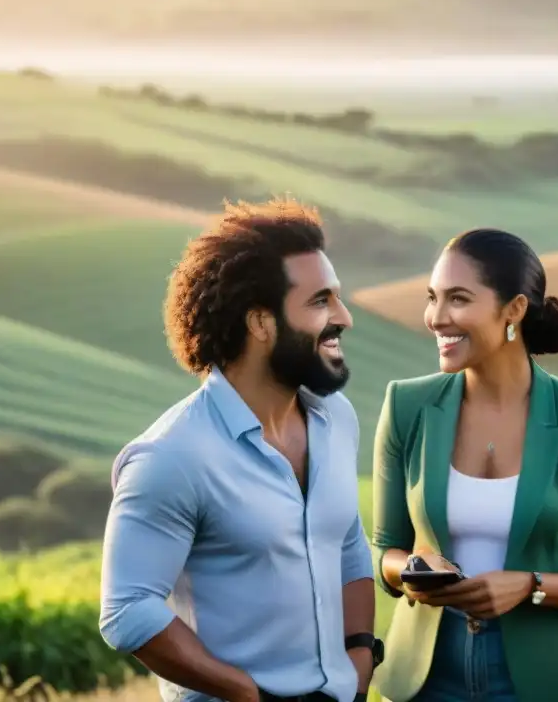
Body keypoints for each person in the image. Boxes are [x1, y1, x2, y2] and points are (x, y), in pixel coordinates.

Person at [99, 199, 382, 702]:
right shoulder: (171, 458)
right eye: (320, 301)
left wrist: (359, 657)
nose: (344, 318)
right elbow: (128, 610)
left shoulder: (336, 419)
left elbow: (347, 545)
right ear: (260, 323)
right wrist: (246, 693)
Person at [371, 228, 558, 702]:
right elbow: (385, 548)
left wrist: (530, 586)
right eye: (432, 298)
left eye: (458, 299)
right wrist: (411, 569)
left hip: (547, 681)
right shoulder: (406, 406)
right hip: (427, 681)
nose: (436, 318)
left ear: (514, 309)